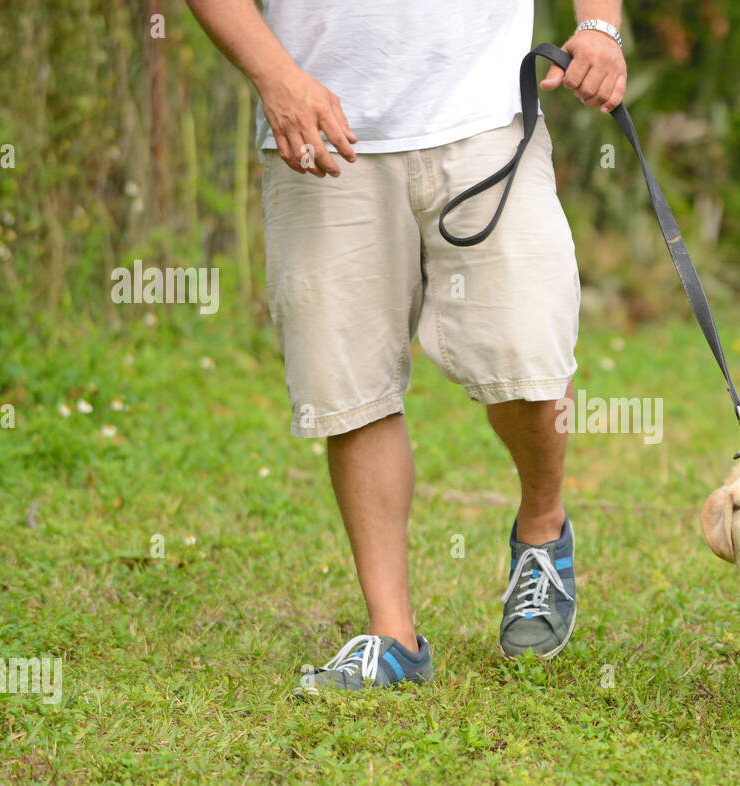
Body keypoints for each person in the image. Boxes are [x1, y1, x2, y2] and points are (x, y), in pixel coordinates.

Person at [188, 1, 627, 689]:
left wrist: (599, 27)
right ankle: (393, 637)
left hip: (484, 113)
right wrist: (274, 76)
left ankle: (543, 530)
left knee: (529, 356)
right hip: (321, 122)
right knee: (350, 387)